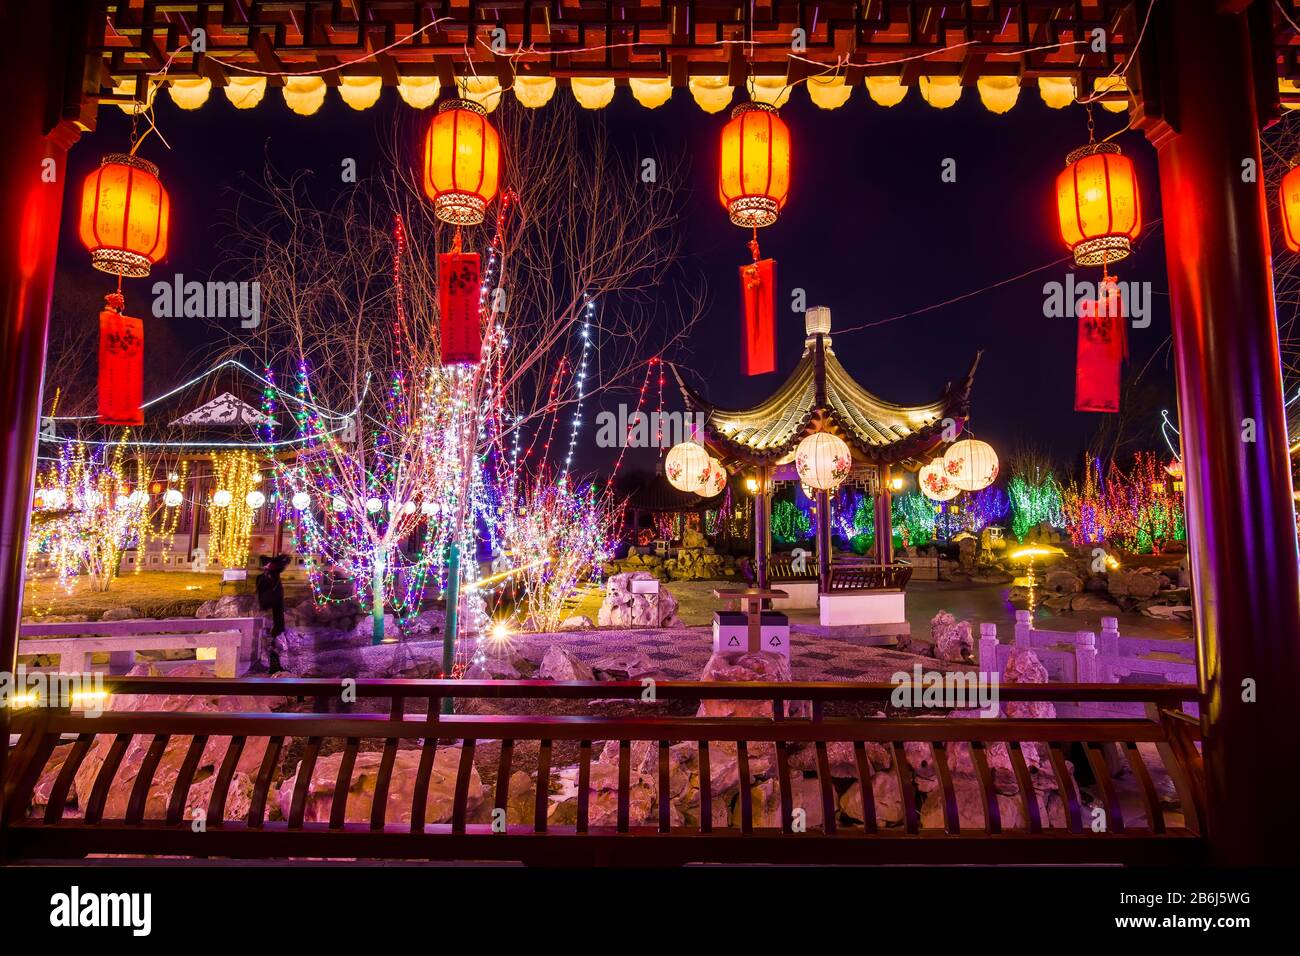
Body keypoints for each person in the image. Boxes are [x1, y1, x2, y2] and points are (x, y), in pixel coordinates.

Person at [255, 554, 291, 673]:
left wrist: (285, 555)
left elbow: (284, 561)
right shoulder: (263, 578)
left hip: (275, 613)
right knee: (270, 639)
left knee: (275, 639)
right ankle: (272, 665)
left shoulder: (274, 574)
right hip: (269, 611)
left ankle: (275, 665)